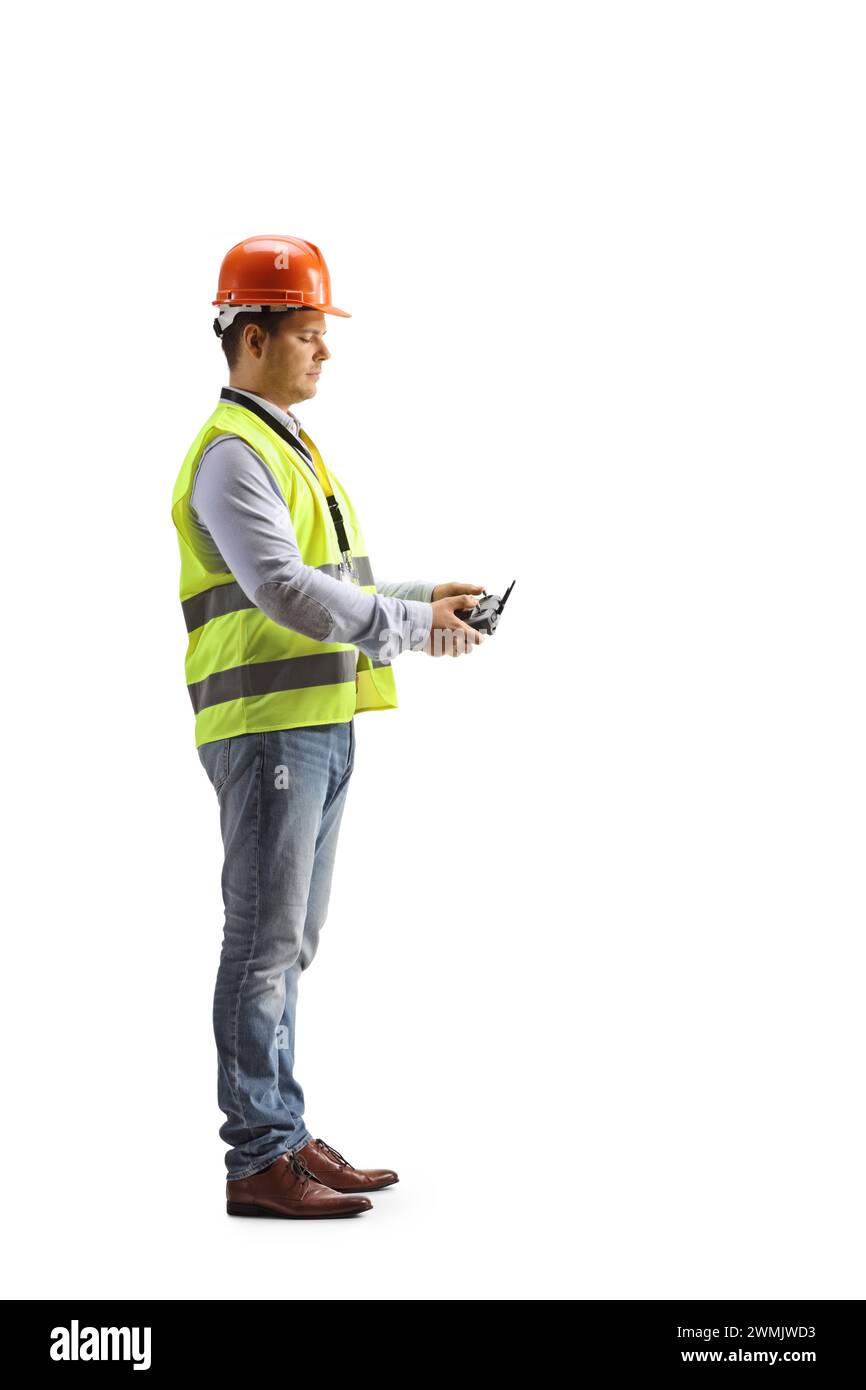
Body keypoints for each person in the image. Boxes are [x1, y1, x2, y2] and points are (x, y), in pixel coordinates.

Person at [170, 235, 487, 1218]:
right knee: (261, 939)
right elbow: (282, 592)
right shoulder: (232, 456)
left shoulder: (290, 448)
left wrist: (419, 596)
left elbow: (331, 586)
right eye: (308, 332)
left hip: (314, 721)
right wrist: (410, 627)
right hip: (268, 727)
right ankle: (257, 1154)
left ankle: (284, 1129)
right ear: (252, 338)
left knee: (289, 937)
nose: (324, 351)